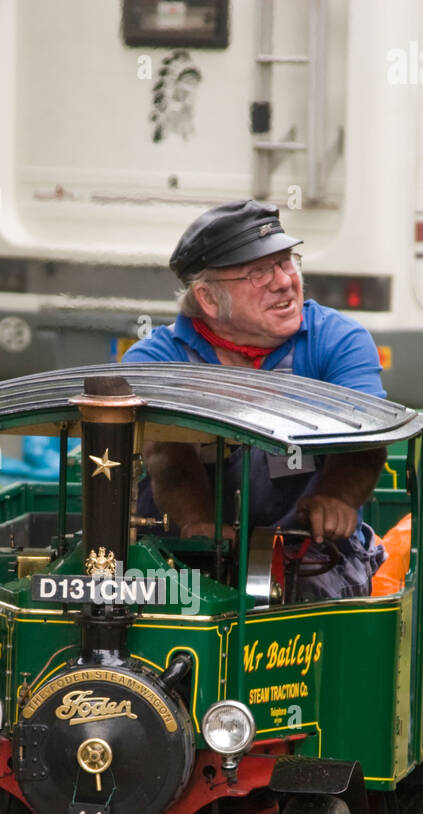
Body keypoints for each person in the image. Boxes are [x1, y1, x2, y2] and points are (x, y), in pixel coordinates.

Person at [124, 199, 389, 597]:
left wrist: (335, 498)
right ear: (209, 299)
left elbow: (366, 443)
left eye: (287, 262)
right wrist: (197, 520)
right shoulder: (157, 361)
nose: (284, 281)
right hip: (183, 556)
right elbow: (165, 454)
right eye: (259, 273)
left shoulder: (339, 341)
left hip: (311, 553)